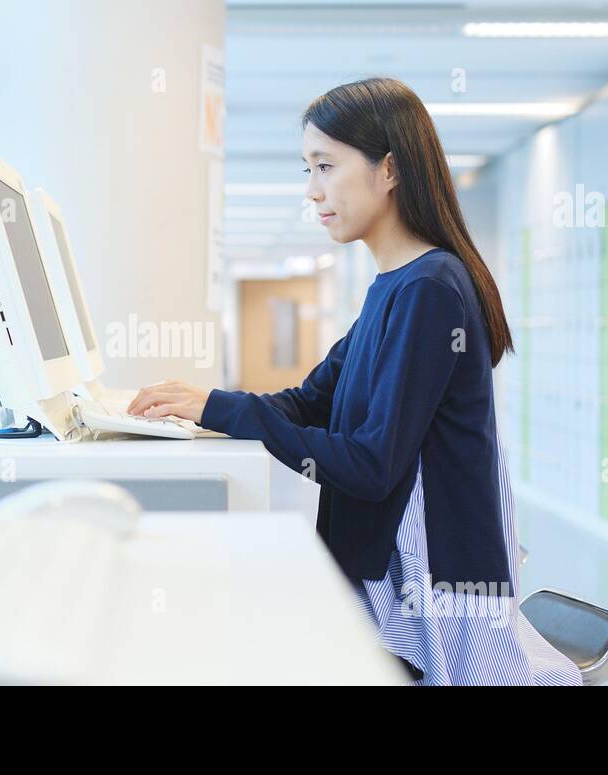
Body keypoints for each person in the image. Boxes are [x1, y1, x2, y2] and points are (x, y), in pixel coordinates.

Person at [127, 77, 581, 686]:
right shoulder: (395, 286)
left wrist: (220, 410)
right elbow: (311, 402)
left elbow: (371, 463)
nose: (312, 191)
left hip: (430, 594)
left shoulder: (428, 289)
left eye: (325, 166)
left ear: (388, 169)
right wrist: (206, 405)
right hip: (389, 576)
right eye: (308, 169)